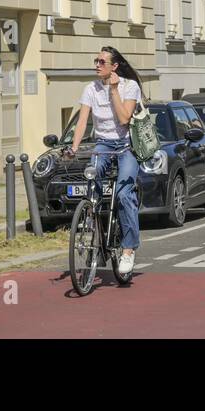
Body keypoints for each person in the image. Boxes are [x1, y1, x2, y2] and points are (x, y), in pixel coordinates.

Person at [67, 46, 145, 275]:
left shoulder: (130, 87)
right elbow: (82, 122)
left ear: (114, 66)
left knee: (123, 194)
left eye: (101, 62)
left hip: (127, 145)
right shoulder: (90, 89)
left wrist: (113, 90)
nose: (97, 65)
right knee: (93, 176)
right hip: (103, 144)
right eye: (96, 61)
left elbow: (123, 119)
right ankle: (94, 218)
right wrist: (73, 147)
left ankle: (129, 249)